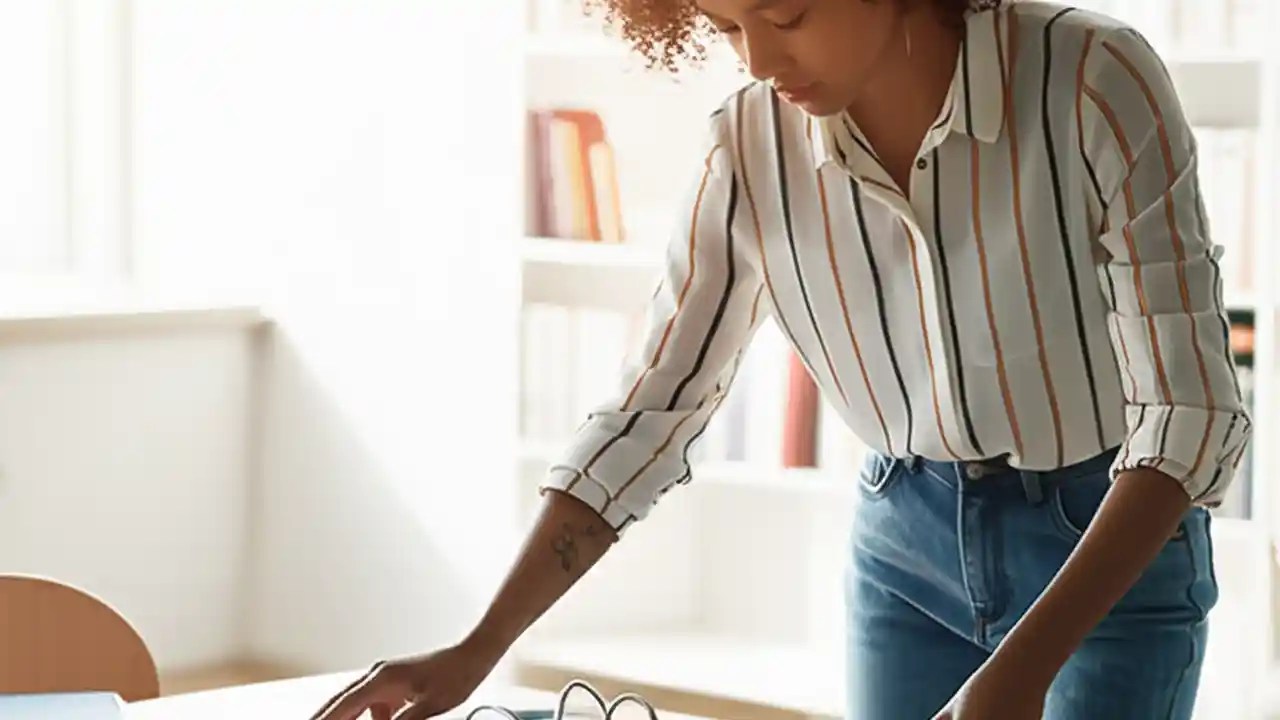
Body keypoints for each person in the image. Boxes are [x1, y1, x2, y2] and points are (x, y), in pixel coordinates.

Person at [309, 1, 1254, 718]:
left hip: (1109, 538)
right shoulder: (748, 148)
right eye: (726, 26)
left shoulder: (1094, 80)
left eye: (786, 14)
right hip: (904, 545)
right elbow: (647, 420)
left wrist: (1020, 673)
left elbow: (1192, 414)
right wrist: (476, 650)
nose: (760, 59)